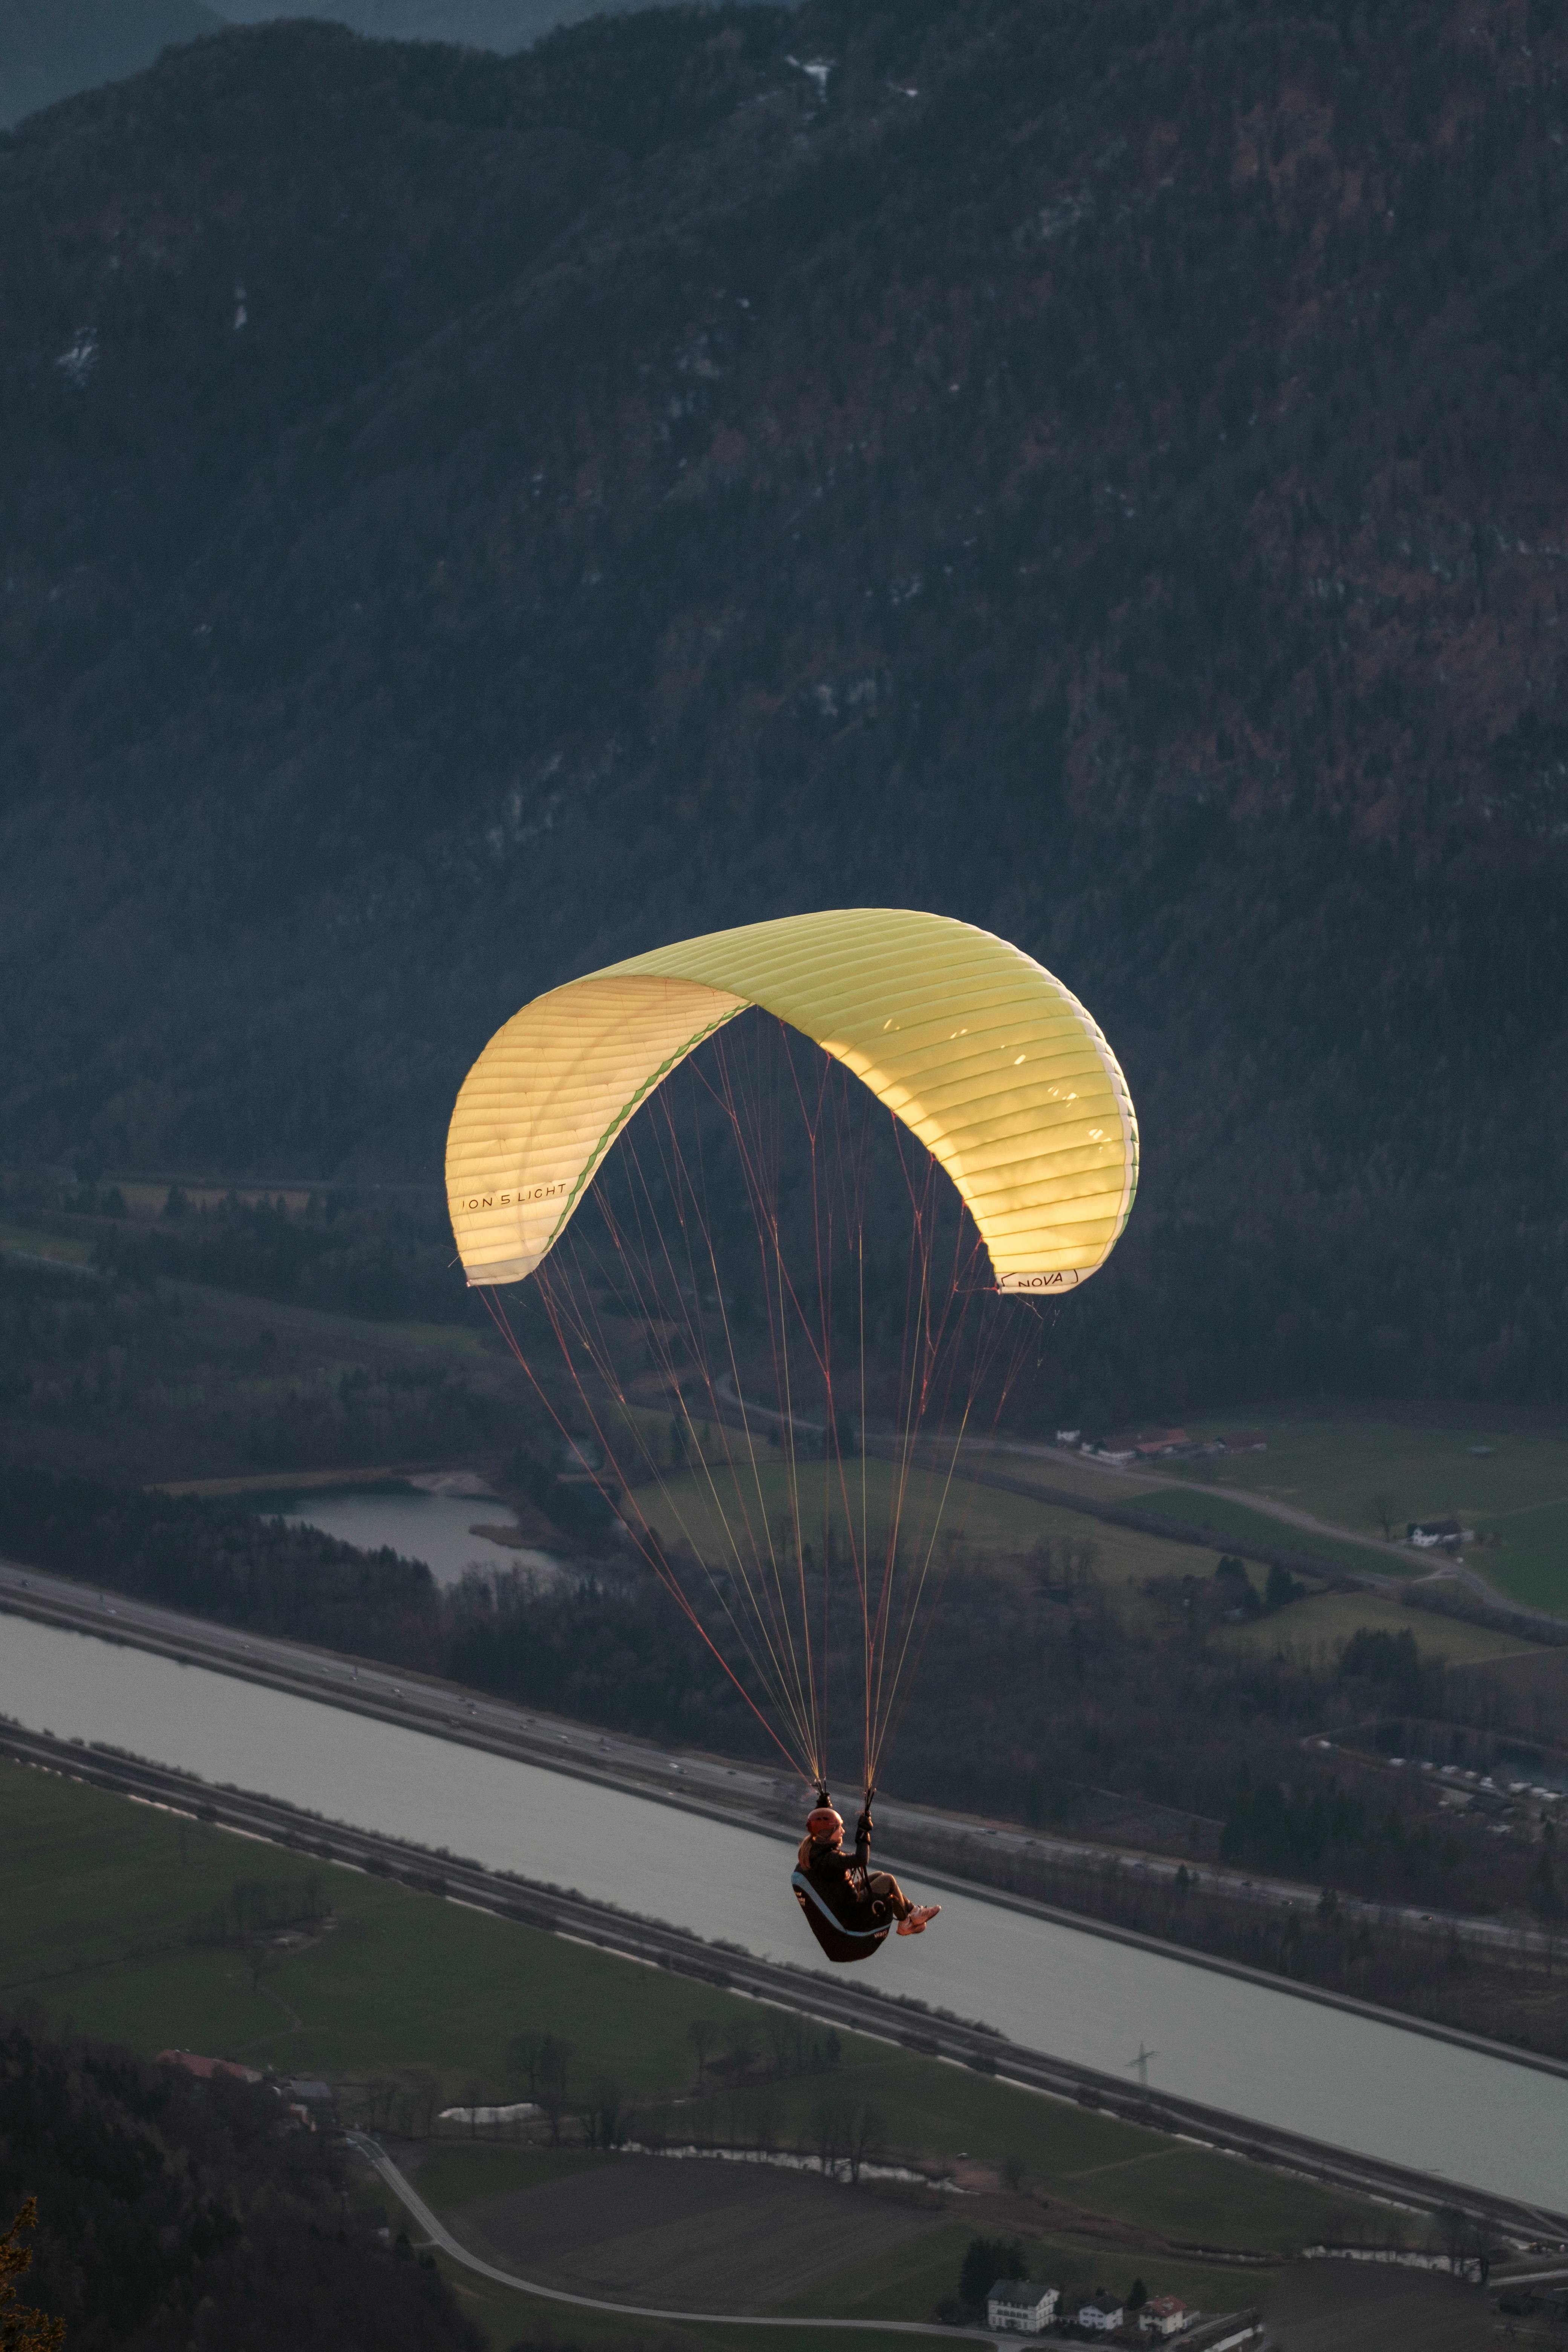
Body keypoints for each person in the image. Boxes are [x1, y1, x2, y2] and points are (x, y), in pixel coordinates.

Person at [790, 1791, 940, 1965]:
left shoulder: (814, 1851)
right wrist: (863, 1833)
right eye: (839, 1828)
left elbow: (820, 1826)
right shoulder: (830, 1860)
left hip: (844, 1902)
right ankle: (911, 1917)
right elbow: (861, 1860)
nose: (843, 1831)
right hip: (851, 1911)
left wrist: (823, 1808)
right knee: (888, 1881)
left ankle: (909, 1919)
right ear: (829, 1833)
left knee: (878, 1876)